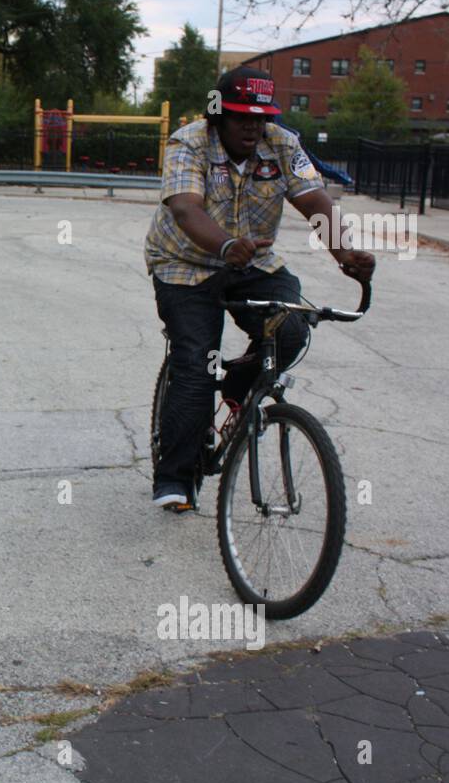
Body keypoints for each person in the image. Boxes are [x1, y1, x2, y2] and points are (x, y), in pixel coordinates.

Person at [143, 66, 375, 511]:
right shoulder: (188, 143)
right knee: (195, 363)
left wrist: (345, 255)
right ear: (218, 115)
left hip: (252, 260)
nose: (252, 126)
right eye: (240, 117)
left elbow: (314, 202)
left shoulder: (283, 144)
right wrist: (226, 244)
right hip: (184, 264)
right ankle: (174, 476)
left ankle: (237, 384)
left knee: (291, 328)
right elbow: (186, 210)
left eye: (260, 117)